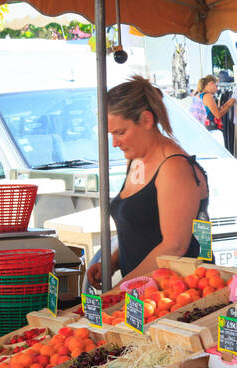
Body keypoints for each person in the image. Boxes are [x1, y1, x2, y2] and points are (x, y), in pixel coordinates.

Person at [86, 76, 210, 289]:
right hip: (144, 293)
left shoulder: (174, 167)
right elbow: (141, 230)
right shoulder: (136, 159)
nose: (114, 143)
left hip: (176, 294)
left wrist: (121, 289)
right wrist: (113, 262)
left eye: (120, 132)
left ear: (146, 120)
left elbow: (175, 245)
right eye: (111, 134)